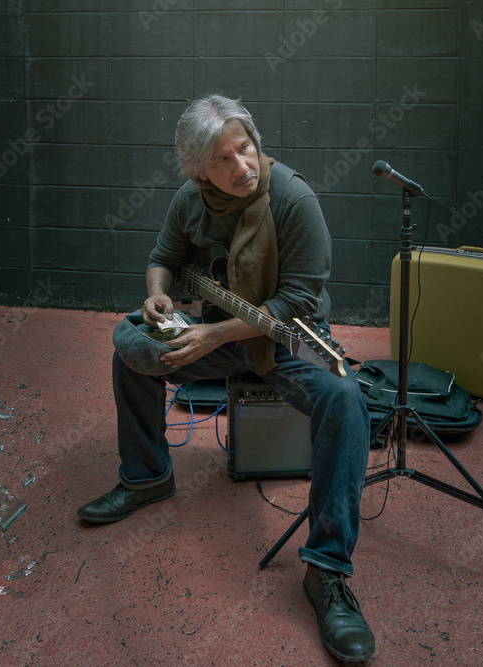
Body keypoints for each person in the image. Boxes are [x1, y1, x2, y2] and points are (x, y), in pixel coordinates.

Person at [77, 94, 375, 662]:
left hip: (285, 339)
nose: (241, 166)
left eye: (245, 148)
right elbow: (162, 256)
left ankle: (327, 571)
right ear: (197, 169)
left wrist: (214, 336)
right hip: (213, 331)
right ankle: (146, 477)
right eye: (222, 160)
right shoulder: (190, 201)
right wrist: (158, 294)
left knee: (344, 397)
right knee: (134, 354)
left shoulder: (293, 198)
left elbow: (296, 299)